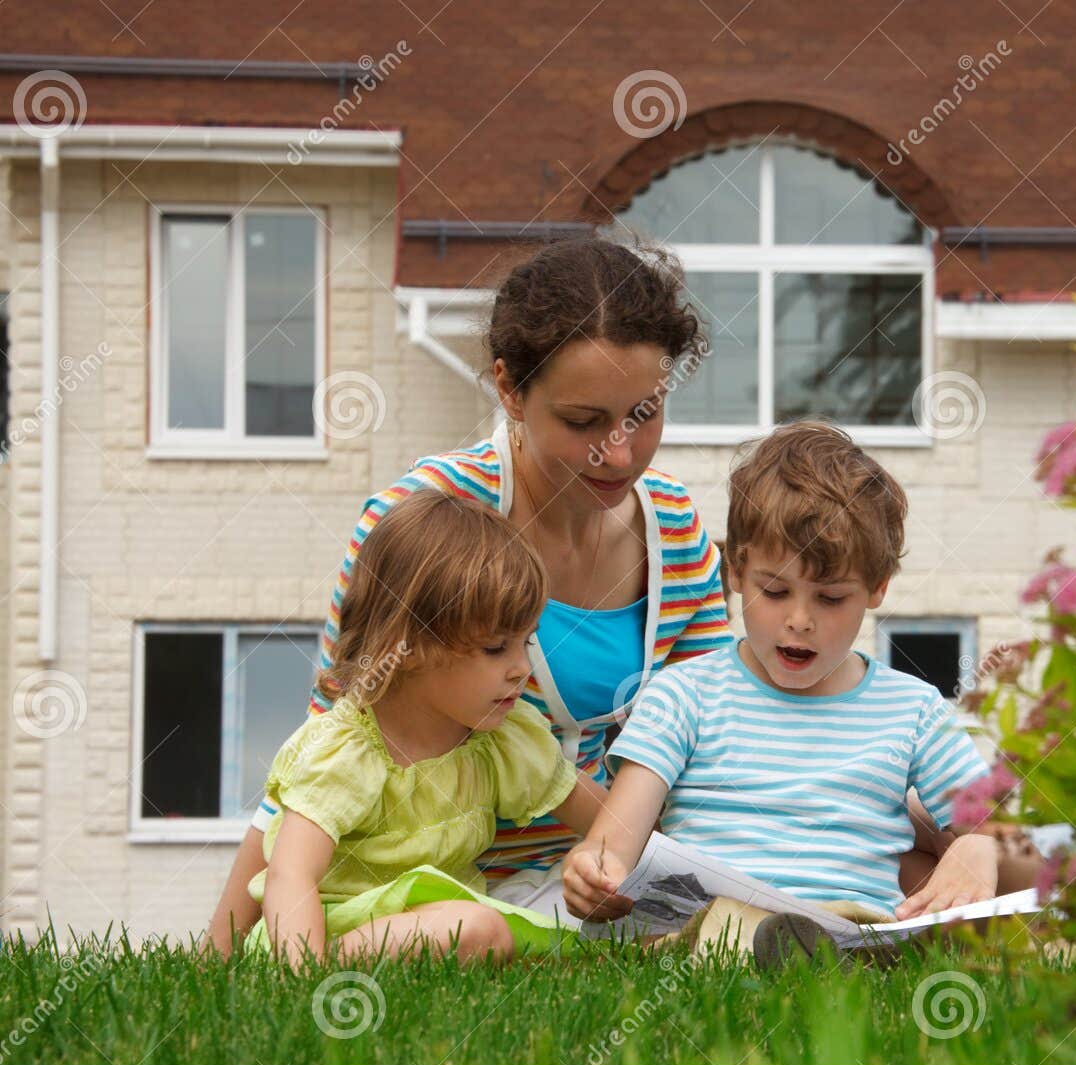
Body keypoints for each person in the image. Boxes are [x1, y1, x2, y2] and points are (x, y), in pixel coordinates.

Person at [207, 237, 729, 953]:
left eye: (643, 414)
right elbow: (320, 757)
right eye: (583, 422)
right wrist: (221, 952)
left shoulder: (676, 530)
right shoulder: (422, 520)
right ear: (510, 388)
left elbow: (715, 742)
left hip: (603, 884)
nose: (619, 452)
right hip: (431, 896)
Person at [563, 421, 1001, 962]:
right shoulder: (684, 695)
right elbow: (617, 835)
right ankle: (772, 950)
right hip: (702, 929)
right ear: (738, 573)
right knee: (720, 927)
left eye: (831, 598)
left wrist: (978, 844)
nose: (799, 620)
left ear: (877, 588)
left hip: (850, 926)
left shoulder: (911, 709)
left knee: (864, 927)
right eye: (775, 591)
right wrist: (595, 870)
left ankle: (810, 951)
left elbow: (988, 818)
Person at [251, 490, 610, 966]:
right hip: (329, 927)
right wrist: (302, 973)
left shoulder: (500, 738)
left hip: (439, 919)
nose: (521, 667)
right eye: (495, 648)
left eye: (525, 643)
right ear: (410, 645)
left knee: (549, 904)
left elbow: (609, 822)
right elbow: (290, 875)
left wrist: (650, 869)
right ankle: (335, 967)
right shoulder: (349, 749)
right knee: (478, 928)